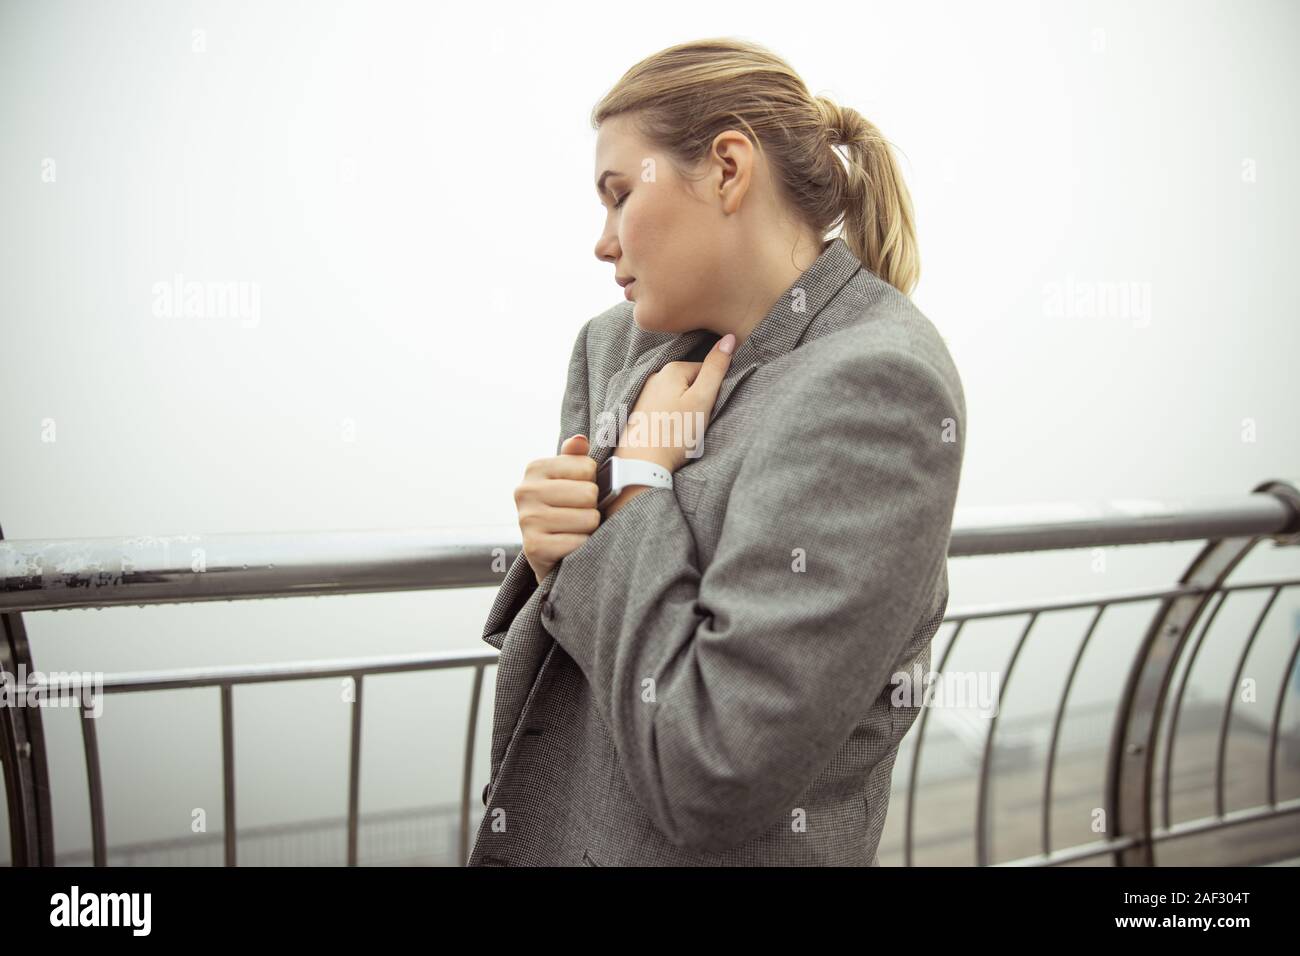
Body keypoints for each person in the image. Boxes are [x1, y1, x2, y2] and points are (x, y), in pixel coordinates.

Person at [469, 37, 965, 866]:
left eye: (620, 195)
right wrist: (548, 538)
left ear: (729, 169)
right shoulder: (614, 347)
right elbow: (557, 646)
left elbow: (714, 771)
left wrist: (633, 486)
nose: (602, 241)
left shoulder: (879, 386)